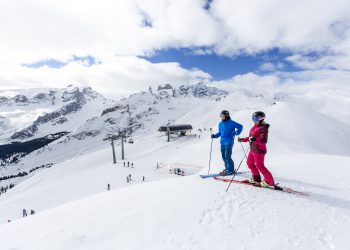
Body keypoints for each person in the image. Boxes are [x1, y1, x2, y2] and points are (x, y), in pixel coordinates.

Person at [238, 111, 275, 188]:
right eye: (253, 119)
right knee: (250, 163)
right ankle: (256, 179)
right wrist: (242, 139)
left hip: (259, 150)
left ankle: (269, 182)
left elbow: (263, 140)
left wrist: (254, 139)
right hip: (253, 149)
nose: (254, 121)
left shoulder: (263, 128)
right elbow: (251, 137)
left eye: (255, 119)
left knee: (260, 166)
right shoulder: (255, 126)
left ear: (260, 119)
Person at [211, 110, 243, 175]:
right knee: (223, 157)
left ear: (226, 116)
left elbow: (240, 127)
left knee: (227, 156)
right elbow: (220, 133)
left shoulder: (232, 123)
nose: (221, 117)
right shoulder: (220, 124)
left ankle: (231, 170)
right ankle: (227, 168)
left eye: (222, 116)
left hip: (229, 142)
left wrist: (236, 132)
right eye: (221, 116)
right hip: (222, 142)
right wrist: (215, 136)